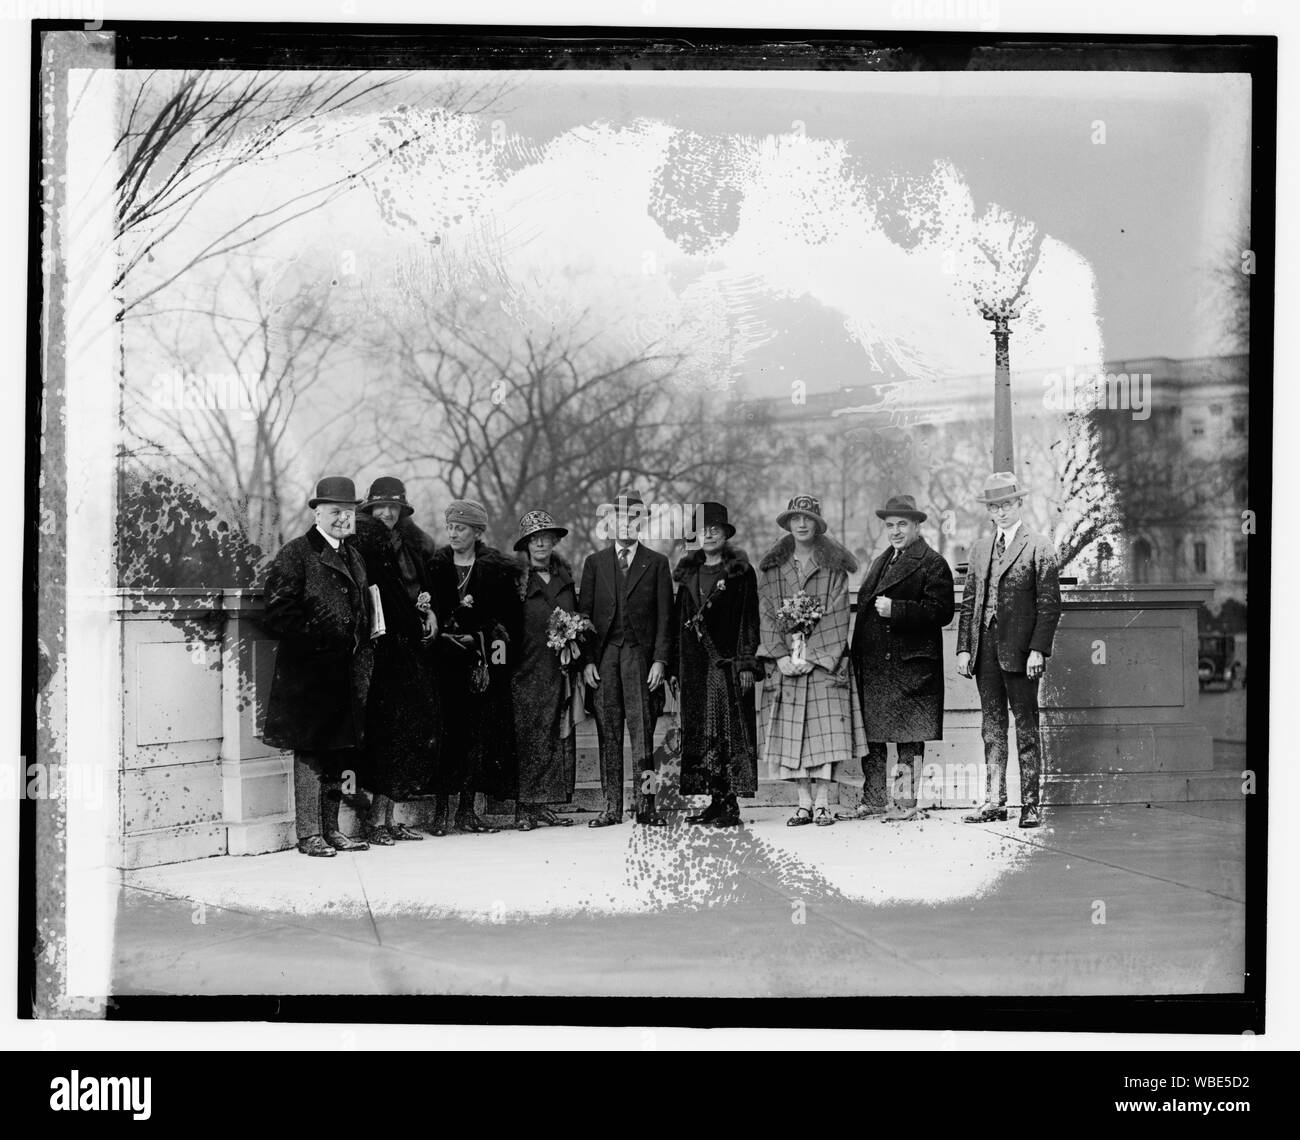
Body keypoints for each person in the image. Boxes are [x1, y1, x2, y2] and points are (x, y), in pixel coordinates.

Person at [262, 477, 377, 857]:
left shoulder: (353, 556)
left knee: (338, 752)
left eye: (349, 511)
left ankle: (331, 830)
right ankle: (309, 835)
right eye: (335, 511)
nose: (344, 518)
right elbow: (279, 612)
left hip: (346, 672)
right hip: (309, 675)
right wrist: (320, 638)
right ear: (317, 513)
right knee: (311, 751)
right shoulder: (296, 554)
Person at [956, 472, 1062, 829]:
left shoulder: (1039, 546)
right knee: (992, 727)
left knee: (1027, 727)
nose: (1000, 512)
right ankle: (994, 801)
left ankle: (1031, 803)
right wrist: (963, 649)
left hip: (1021, 653)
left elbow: (1049, 605)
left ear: (1019, 503)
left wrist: (1038, 651)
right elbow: (970, 602)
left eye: (1006, 504)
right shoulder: (980, 549)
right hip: (984, 650)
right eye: (994, 506)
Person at [842, 494, 955, 823]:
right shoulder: (882, 560)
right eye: (890, 525)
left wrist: (897, 610)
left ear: (917, 526)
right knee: (874, 737)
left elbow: (942, 611)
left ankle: (906, 804)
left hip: (910, 667)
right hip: (878, 666)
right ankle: (874, 798)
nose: (895, 531)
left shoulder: (933, 563)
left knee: (909, 738)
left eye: (902, 524)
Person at [756, 494, 859, 827]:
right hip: (786, 665)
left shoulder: (834, 568)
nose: (801, 524)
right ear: (788, 524)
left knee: (824, 732)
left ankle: (823, 803)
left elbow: (838, 613)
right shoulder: (773, 568)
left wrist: (813, 656)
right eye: (795, 519)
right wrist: (782, 656)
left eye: (807, 518)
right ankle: (802, 803)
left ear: (817, 523)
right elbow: (767, 614)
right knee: (792, 735)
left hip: (822, 664)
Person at [352, 477, 442, 844]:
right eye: (380, 507)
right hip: (381, 646)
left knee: (407, 732)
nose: (387, 513)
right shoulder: (363, 543)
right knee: (384, 731)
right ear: (370, 509)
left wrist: (431, 610)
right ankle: (375, 820)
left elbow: (422, 588)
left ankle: (389, 817)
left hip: (412, 646)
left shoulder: (411, 545)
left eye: (394, 508)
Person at [579, 491, 673, 828]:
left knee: (644, 732)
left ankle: (647, 807)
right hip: (605, 658)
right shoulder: (594, 563)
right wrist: (587, 661)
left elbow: (666, 617)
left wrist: (661, 661)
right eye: (619, 518)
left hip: (640, 657)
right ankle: (610, 808)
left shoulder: (658, 563)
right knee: (609, 734)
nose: (626, 524)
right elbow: (585, 616)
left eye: (633, 518)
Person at [429, 500, 521, 835]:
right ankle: (440, 811)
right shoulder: (435, 566)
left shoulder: (496, 569)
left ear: (477, 531)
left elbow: (510, 624)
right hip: (441, 666)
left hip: (479, 667)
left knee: (475, 739)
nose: (453, 533)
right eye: (450, 526)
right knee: (443, 737)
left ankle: (466, 812)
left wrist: (478, 640)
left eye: (461, 527)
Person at [669, 501, 760, 828]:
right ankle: (712, 801)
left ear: (725, 533)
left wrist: (747, 662)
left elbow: (750, 620)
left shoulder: (741, 572)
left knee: (727, 731)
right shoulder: (688, 573)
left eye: (715, 529)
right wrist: (676, 670)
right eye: (703, 530)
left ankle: (729, 805)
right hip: (696, 667)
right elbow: (679, 624)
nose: (709, 535)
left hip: (728, 664)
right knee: (702, 732)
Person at [510, 510, 587, 830]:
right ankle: (524, 807)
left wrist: (574, 635)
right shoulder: (516, 580)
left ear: (555, 542)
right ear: (526, 544)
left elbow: (577, 615)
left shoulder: (565, 579)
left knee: (558, 733)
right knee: (528, 736)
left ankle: (546, 804)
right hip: (525, 668)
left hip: (559, 669)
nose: (541, 543)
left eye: (546, 538)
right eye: (534, 539)